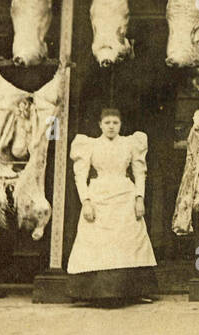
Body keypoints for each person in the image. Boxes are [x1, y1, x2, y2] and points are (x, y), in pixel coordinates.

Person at [66, 108, 158, 305]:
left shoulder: (130, 143)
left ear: (121, 124)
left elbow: (140, 172)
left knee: (129, 239)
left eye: (115, 123)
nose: (111, 127)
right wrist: (86, 201)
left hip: (125, 194)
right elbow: (80, 176)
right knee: (96, 240)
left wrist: (139, 197)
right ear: (100, 124)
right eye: (107, 122)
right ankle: (93, 292)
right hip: (98, 195)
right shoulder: (89, 144)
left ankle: (133, 291)